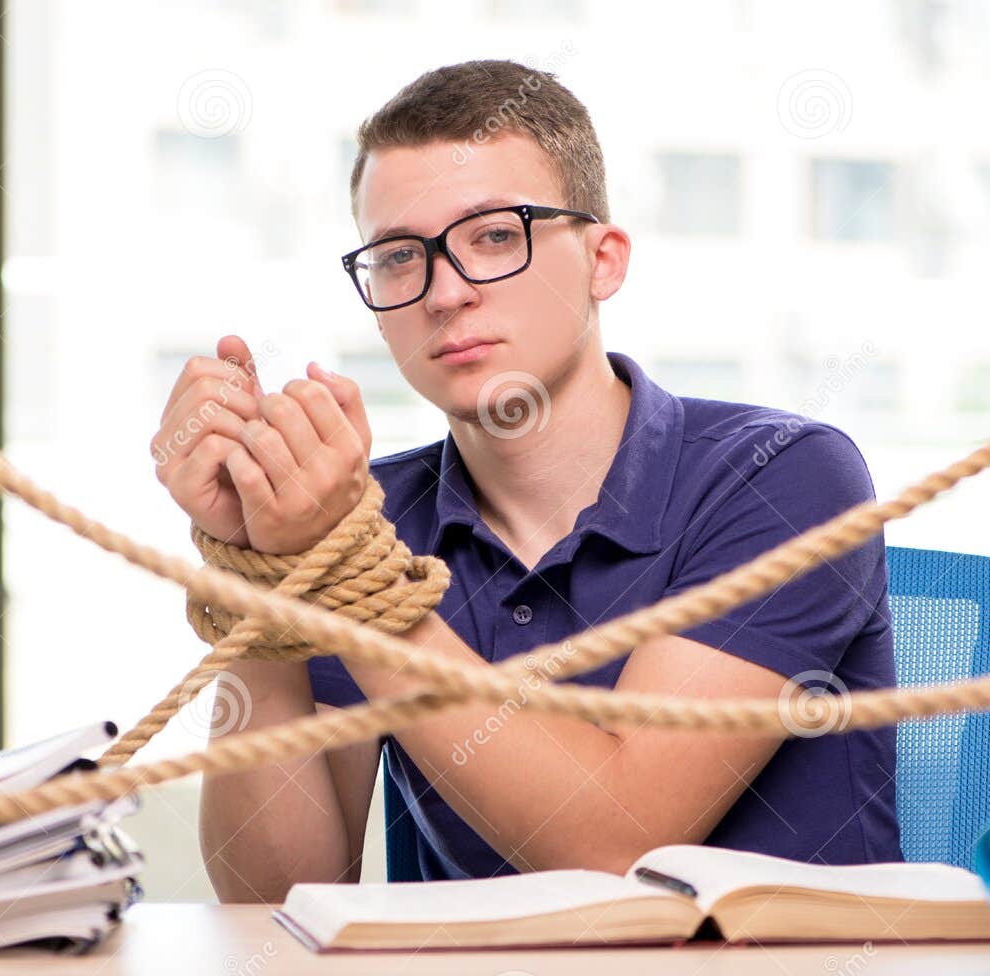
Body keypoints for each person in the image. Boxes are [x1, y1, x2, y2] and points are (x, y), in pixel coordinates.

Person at [150, 60, 899, 901]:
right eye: (399, 257)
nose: (443, 293)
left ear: (603, 261)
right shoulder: (371, 515)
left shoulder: (785, 476)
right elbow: (274, 900)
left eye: (495, 237)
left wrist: (346, 567)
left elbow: (615, 843)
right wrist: (261, 567)